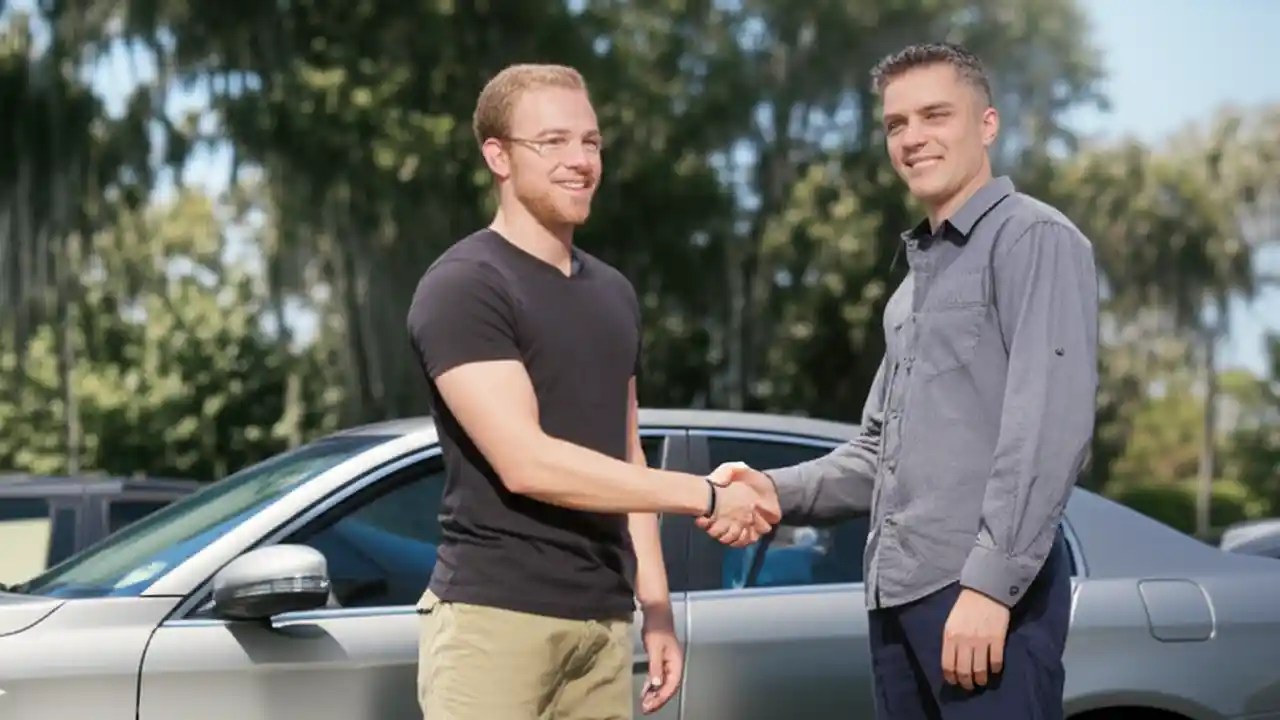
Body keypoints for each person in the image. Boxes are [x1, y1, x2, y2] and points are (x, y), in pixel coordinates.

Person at [699, 42, 1099, 719]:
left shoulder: (1034, 240)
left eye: (935, 115)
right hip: (895, 603)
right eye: (896, 124)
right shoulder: (910, 294)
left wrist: (989, 590)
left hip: (977, 601)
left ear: (987, 124)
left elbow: (1047, 431)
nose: (912, 138)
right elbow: (874, 455)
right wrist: (772, 488)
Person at [406, 63, 779, 720]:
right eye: (552, 142)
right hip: (496, 624)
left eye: (591, 142)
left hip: (604, 625)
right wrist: (707, 496)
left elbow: (626, 455)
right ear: (497, 155)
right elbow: (528, 463)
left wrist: (656, 610)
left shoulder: (613, 293)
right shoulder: (465, 286)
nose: (580, 161)